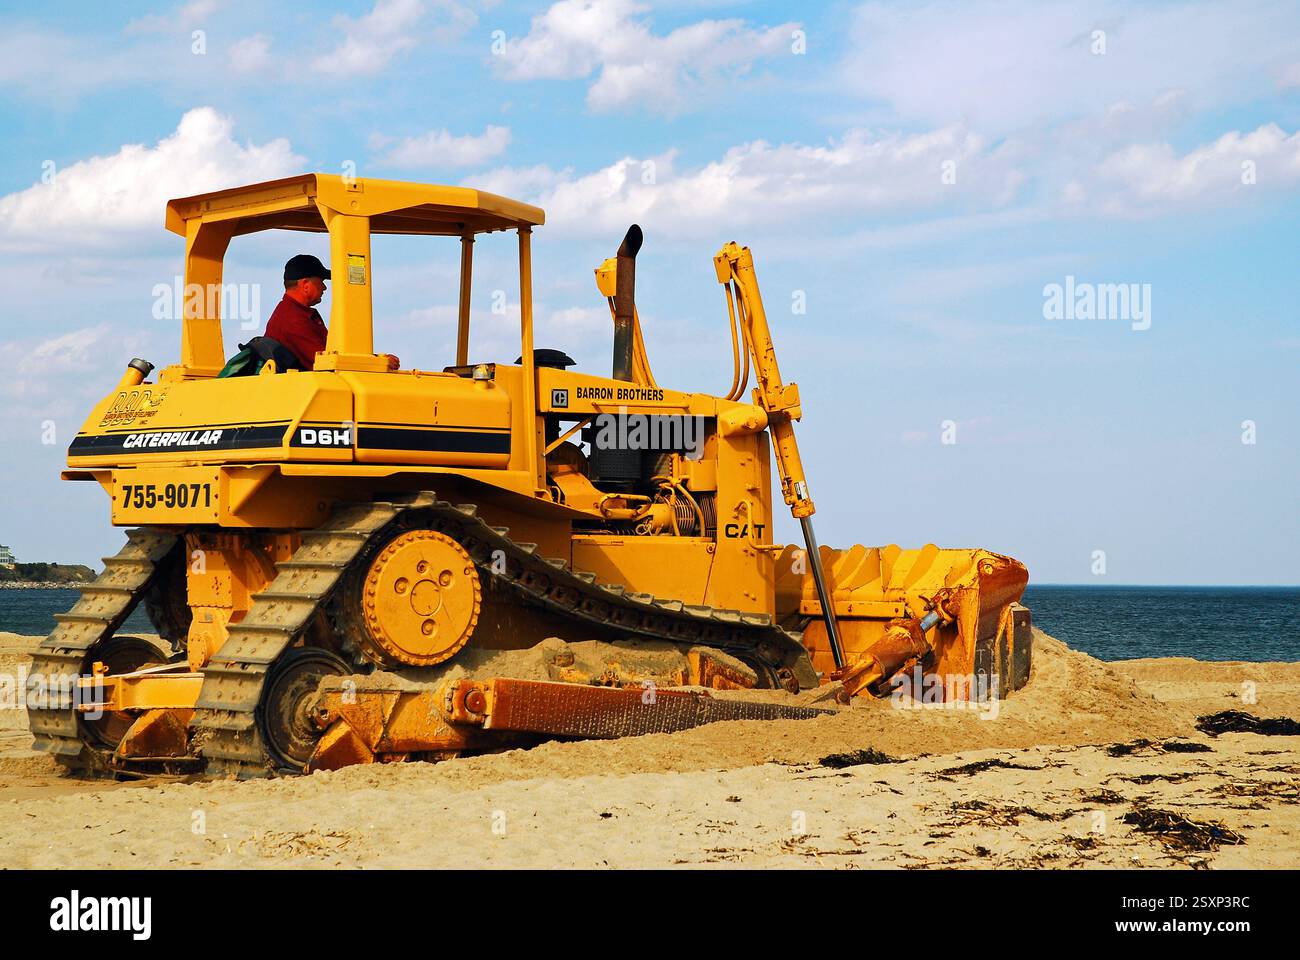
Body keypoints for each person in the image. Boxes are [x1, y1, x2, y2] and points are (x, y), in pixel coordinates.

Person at [264, 254, 399, 370]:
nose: (324, 287)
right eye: (321, 281)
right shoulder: (293, 319)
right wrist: (378, 361)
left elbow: (333, 354)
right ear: (305, 285)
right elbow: (328, 361)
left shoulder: (295, 314)